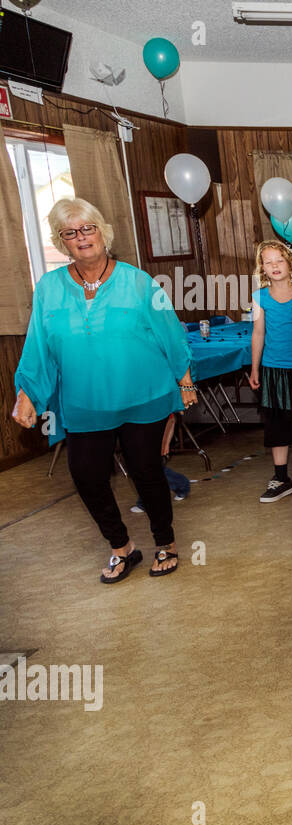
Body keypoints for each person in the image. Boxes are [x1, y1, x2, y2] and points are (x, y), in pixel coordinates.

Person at [11, 197, 197, 582]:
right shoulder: (48, 288)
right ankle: (121, 548)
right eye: (70, 232)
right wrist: (27, 393)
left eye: (87, 228)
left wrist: (185, 381)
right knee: (86, 475)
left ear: (102, 232)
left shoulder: (139, 282)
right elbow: (39, 345)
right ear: (62, 242)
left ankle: (166, 543)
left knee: (146, 472)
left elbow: (171, 334)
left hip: (142, 396)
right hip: (85, 401)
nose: (81, 238)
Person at [248, 240, 292, 502]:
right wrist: (255, 369)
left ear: (289, 263)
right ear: (262, 268)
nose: (274, 266)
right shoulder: (259, 297)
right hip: (271, 372)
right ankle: (281, 478)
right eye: (268, 262)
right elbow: (258, 333)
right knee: (276, 427)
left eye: (279, 260)